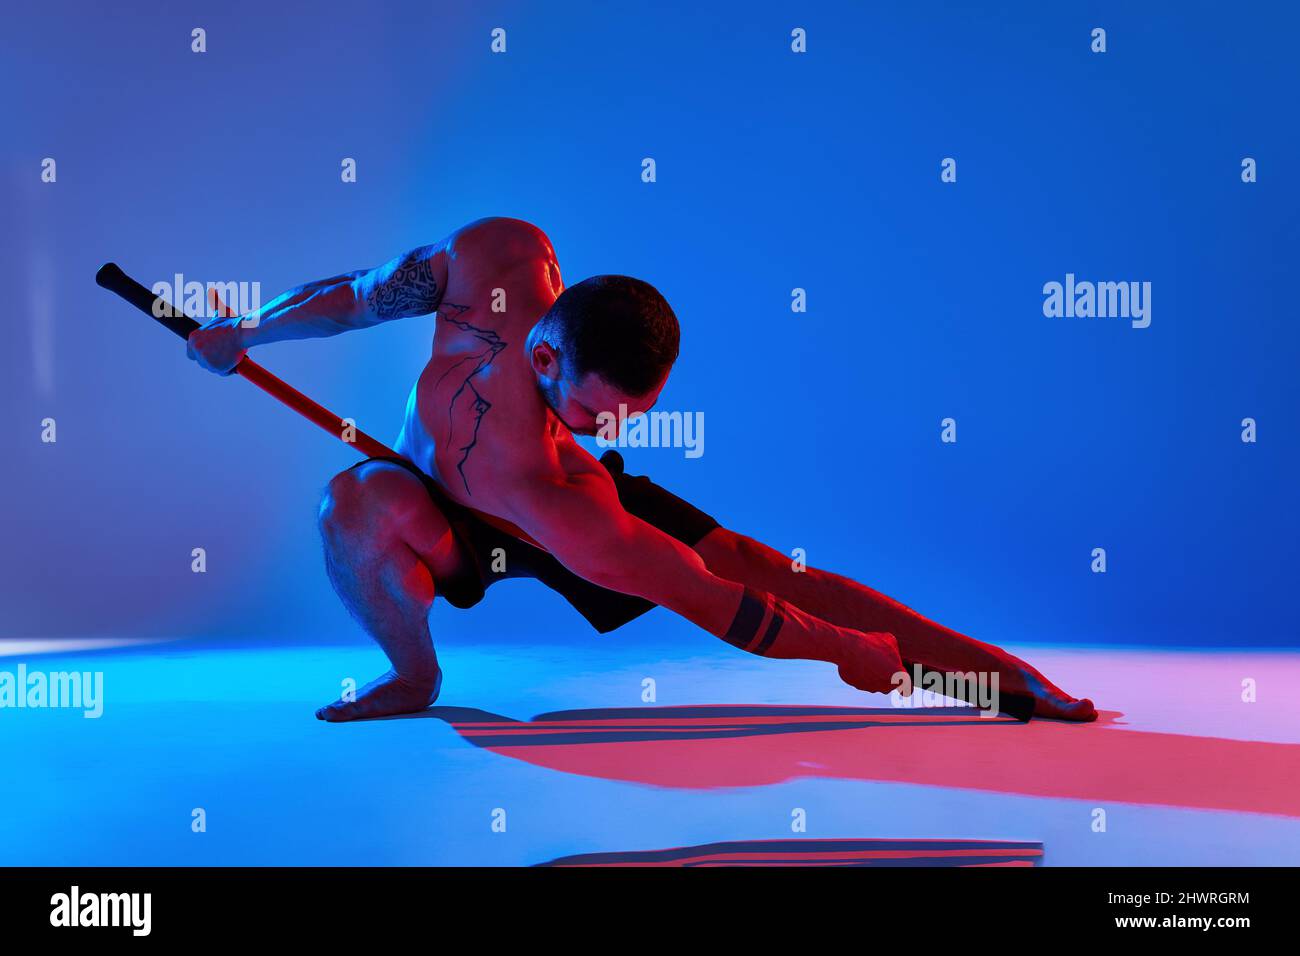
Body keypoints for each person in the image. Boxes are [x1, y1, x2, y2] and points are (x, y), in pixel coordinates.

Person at [187, 217, 1096, 723]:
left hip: (540, 517)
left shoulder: (571, 492)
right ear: (545, 356)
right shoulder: (495, 259)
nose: (611, 428)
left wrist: (848, 653)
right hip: (439, 508)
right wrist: (249, 332)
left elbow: (719, 602)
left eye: (631, 417)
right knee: (350, 504)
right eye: (597, 411)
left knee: (762, 567)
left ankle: (998, 677)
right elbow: (354, 295)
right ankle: (416, 676)